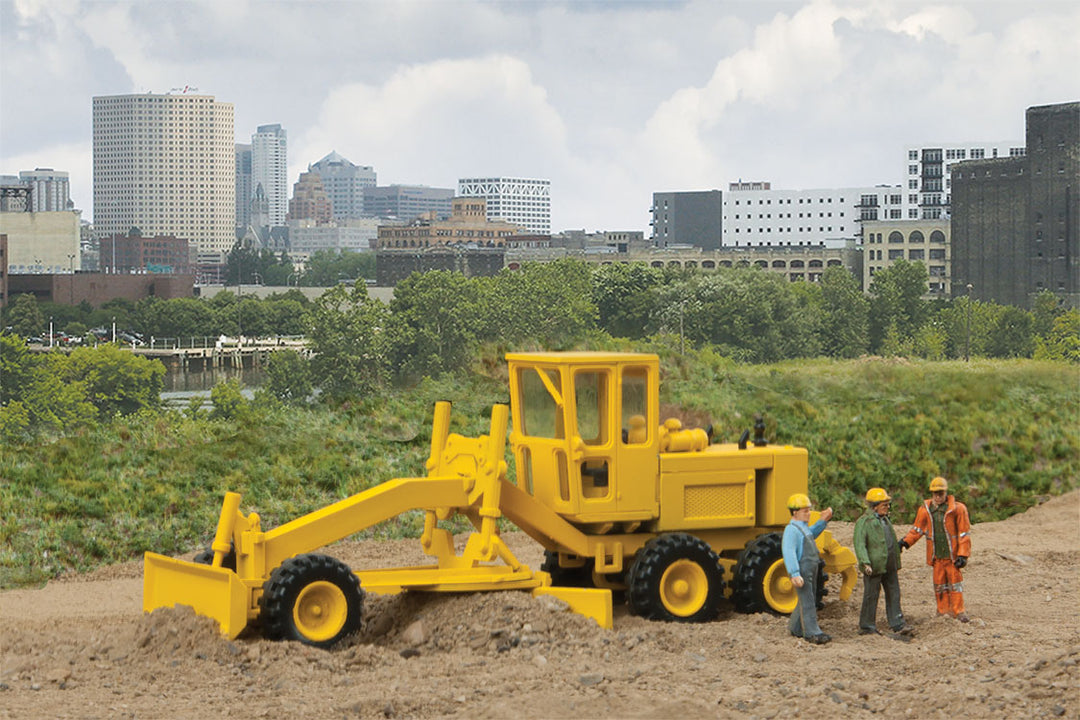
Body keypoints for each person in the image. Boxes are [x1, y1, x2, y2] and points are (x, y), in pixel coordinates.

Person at [900, 476, 972, 622]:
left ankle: (959, 611)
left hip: (952, 557)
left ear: (946, 493)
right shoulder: (926, 510)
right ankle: (943, 611)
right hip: (937, 557)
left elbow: (963, 533)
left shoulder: (958, 509)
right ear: (932, 494)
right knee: (939, 585)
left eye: (941, 493)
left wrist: (963, 555)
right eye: (935, 493)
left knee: (955, 585)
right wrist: (905, 542)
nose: (938, 497)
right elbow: (917, 529)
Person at [853, 488, 914, 637]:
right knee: (871, 595)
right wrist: (864, 562)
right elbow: (860, 544)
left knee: (894, 593)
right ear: (874, 506)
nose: (887, 507)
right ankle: (867, 626)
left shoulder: (885, 520)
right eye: (884, 505)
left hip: (889, 564)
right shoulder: (864, 522)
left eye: (888, 504)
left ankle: (898, 623)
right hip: (874, 566)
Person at [782, 493, 834, 644]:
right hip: (803, 570)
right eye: (805, 511)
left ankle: (796, 627)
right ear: (795, 512)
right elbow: (789, 552)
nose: (809, 513)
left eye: (809, 510)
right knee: (808, 600)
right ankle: (812, 632)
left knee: (806, 598)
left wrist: (823, 521)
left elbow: (812, 533)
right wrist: (794, 573)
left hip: (811, 568)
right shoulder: (791, 530)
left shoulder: (802, 528)